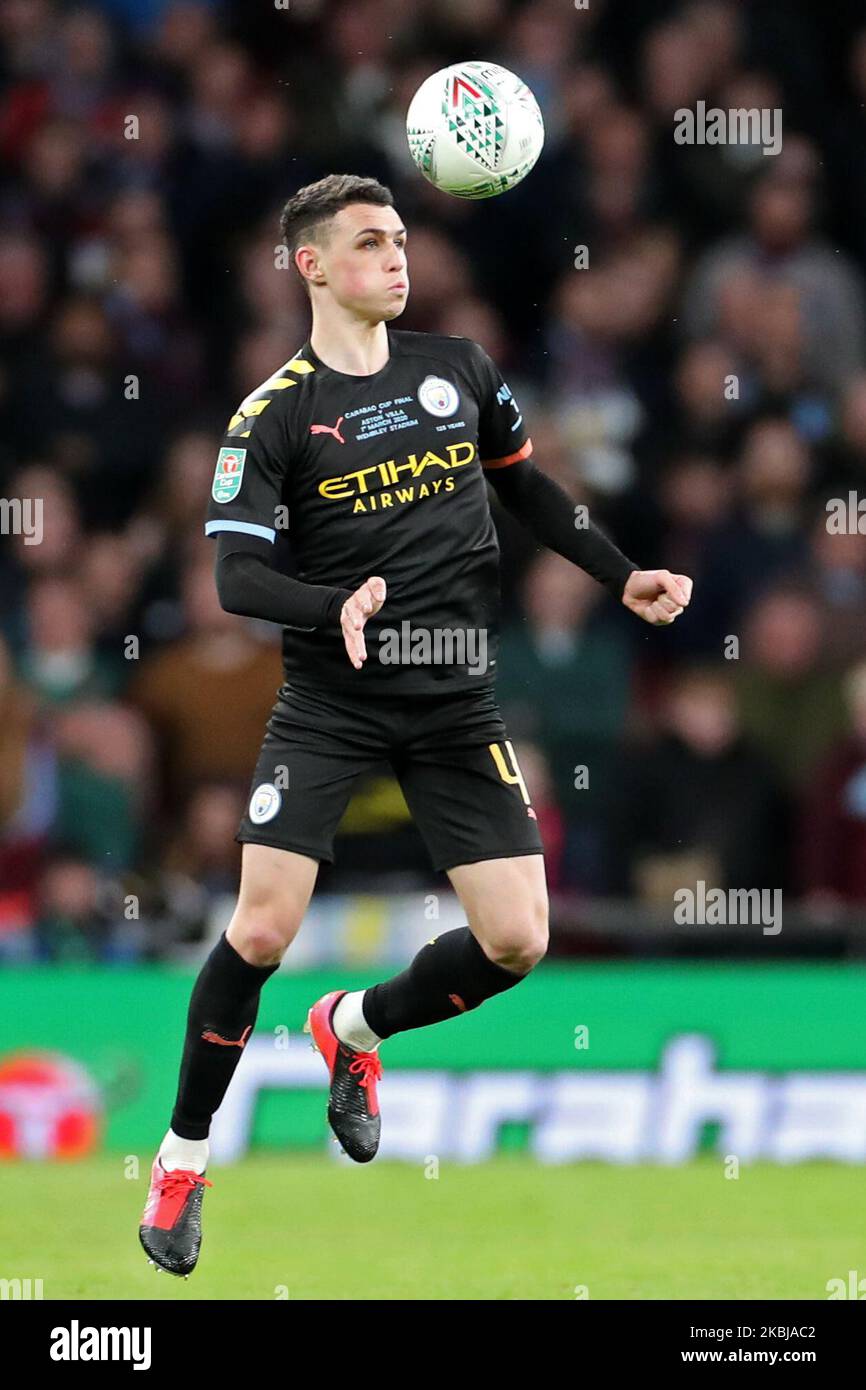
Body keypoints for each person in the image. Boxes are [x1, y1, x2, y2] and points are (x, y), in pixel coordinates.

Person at [139, 173, 692, 1276]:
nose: (396, 258)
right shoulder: (273, 414)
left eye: (400, 240)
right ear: (311, 266)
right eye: (368, 243)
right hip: (331, 703)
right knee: (258, 929)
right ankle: (182, 1157)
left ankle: (351, 1030)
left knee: (518, 941)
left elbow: (527, 489)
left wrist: (620, 574)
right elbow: (238, 576)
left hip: (454, 699)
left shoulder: (458, 372)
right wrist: (327, 604)